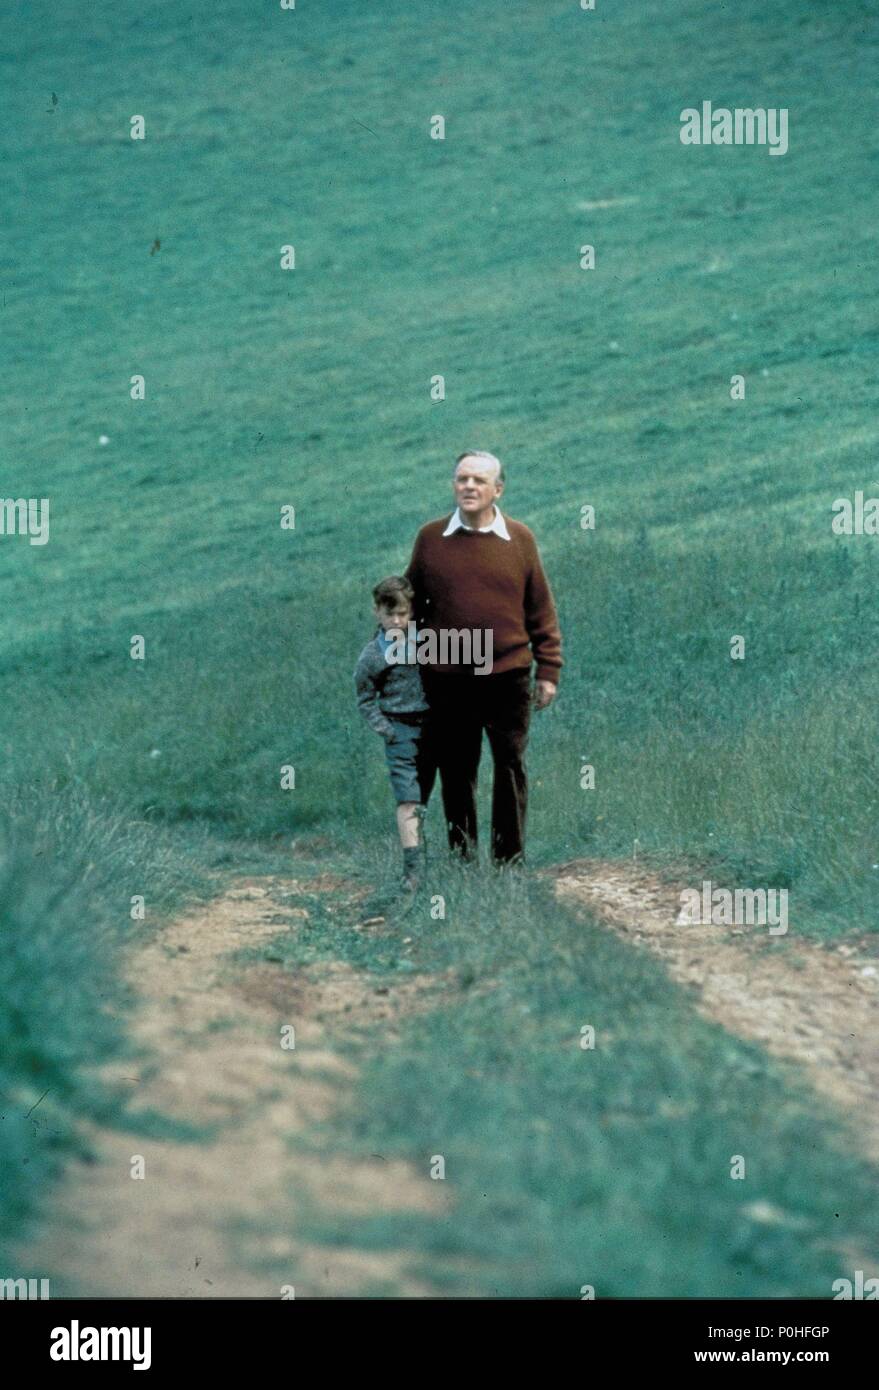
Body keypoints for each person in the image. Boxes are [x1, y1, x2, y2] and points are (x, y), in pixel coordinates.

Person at [405, 450, 561, 866]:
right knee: (456, 772)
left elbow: (540, 609)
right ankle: (463, 860)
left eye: (478, 480)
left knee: (509, 767)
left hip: (507, 674)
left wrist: (548, 670)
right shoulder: (430, 539)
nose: (469, 487)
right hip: (447, 676)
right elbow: (408, 606)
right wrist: (394, 659)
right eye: (462, 479)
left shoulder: (521, 539)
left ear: (498, 489)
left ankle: (509, 862)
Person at [353, 576, 435, 906]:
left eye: (403, 614)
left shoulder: (427, 642)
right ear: (377, 613)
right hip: (398, 730)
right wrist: (385, 729)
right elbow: (365, 697)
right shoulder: (372, 655)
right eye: (390, 615)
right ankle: (413, 870)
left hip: (432, 726)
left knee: (435, 793)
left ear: (411, 611)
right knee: (407, 798)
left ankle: (453, 856)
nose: (397, 621)